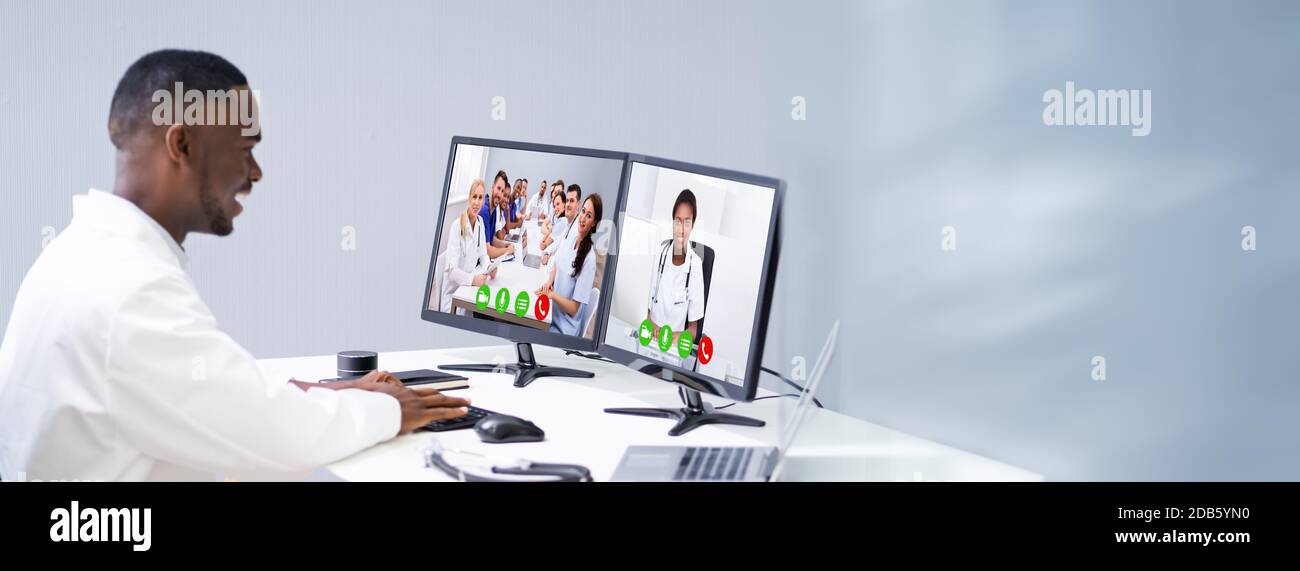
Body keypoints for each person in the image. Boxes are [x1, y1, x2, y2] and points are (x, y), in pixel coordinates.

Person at [0, 49, 469, 482]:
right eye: (245, 149)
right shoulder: (129, 291)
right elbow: (272, 434)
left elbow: (205, 390)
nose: (256, 172)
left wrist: (323, 391)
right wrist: (391, 410)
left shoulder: (80, 253)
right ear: (181, 144)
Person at [646, 189, 706, 349]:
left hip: (673, 349)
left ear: (692, 225)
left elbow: (693, 330)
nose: (681, 229)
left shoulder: (696, 265)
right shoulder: (658, 253)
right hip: (649, 340)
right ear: (672, 222)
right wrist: (651, 325)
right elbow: (643, 307)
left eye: (687, 222)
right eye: (678, 221)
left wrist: (674, 336)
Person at [536, 193, 602, 337]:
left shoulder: (589, 260)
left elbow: (574, 309)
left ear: (594, 223)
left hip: (564, 329)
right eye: (583, 211)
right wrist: (549, 282)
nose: (583, 218)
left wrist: (552, 295)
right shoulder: (571, 238)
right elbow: (557, 264)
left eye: (589, 216)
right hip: (552, 313)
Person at [439, 179, 497, 312]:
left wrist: (489, 267)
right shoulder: (456, 226)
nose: (476, 202)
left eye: (480, 198)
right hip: (454, 296)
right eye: (474, 197)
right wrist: (473, 280)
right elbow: (452, 271)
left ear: (483, 201)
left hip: (468, 290)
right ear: (469, 198)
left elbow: (483, 254)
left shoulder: (480, 222)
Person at [479, 170, 518, 258]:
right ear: (493, 186)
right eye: (498, 188)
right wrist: (507, 250)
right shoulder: (484, 210)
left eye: (502, 191)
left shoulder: (493, 210)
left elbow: (491, 239)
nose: (500, 194)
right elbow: (488, 251)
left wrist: (505, 244)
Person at [541, 183, 582, 264]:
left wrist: (549, 257)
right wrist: (547, 252)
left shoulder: (576, 230)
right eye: (567, 200)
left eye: (572, 201)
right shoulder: (568, 224)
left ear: (578, 204)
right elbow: (558, 243)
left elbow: (563, 259)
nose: (568, 204)